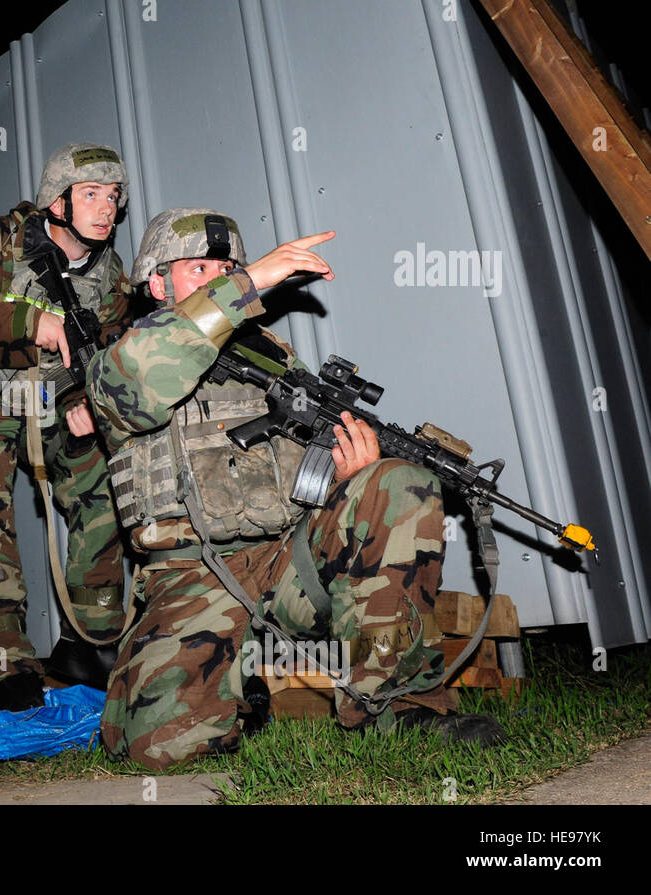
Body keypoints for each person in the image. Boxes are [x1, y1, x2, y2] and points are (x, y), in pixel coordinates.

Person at [87, 207, 506, 769]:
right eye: (198, 270)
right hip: (190, 575)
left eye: (227, 267)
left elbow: (303, 474)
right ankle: (242, 682)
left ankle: (400, 706)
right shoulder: (119, 358)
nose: (217, 279)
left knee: (398, 483)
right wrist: (251, 279)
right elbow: (142, 379)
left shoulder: (274, 359)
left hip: (289, 561)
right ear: (157, 283)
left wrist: (349, 478)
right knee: (157, 747)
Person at [0, 142, 134, 710]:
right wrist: (25, 320)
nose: (106, 208)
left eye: (113, 197)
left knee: (108, 484)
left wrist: (86, 396)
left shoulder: (110, 270)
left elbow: (108, 347)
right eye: (91, 195)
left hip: (54, 397)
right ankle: (3, 656)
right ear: (57, 203)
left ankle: (91, 640)